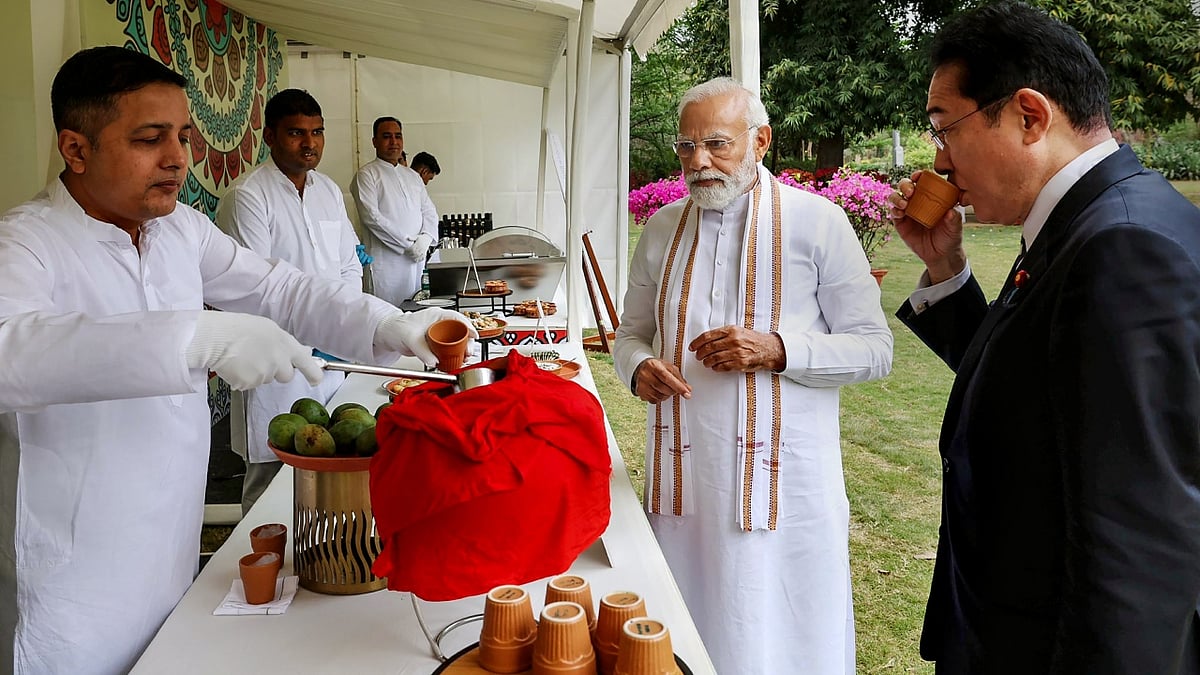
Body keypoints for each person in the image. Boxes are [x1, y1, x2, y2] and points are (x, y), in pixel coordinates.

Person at [0, 46, 472, 674]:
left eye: (184, 137)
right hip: (76, 569)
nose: (177, 158)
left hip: (174, 534)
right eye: (149, 138)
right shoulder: (27, 242)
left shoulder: (180, 230)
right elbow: (12, 352)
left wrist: (388, 324)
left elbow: (282, 288)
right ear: (76, 148)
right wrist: (195, 339)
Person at [888, 3, 1200, 672]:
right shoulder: (1086, 223)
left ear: (1030, 115)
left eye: (946, 128)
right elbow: (1043, 382)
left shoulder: (1122, 247)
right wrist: (946, 269)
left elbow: (1136, 551)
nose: (938, 159)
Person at [612, 77, 893, 674]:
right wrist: (638, 368)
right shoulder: (662, 229)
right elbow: (630, 333)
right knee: (684, 624)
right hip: (684, 482)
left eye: (716, 143)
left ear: (760, 140)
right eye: (686, 147)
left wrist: (777, 348)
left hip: (787, 486)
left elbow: (874, 350)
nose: (699, 162)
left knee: (783, 633)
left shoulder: (818, 222)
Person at [216, 89, 360, 513]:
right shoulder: (248, 196)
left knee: (330, 466)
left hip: (332, 354)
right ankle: (262, 566)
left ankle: (320, 563)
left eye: (317, 132)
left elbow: (349, 264)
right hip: (277, 359)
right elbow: (253, 289)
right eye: (296, 133)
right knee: (270, 480)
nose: (309, 143)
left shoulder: (329, 191)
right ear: (271, 136)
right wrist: (314, 327)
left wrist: (343, 321)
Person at [350, 117, 438, 305]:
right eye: (386, 136)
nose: (393, 142)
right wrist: (408, 245)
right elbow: (372, 218)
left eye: (398, 136)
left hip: (416, 260)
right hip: (386, 264)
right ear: (374, 141)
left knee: (416, 313)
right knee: (386, 318)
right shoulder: (366, 175)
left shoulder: (412, 176)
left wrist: (426, 238)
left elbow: (429, 210)